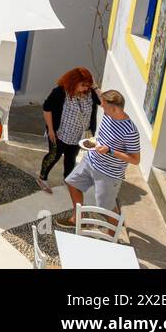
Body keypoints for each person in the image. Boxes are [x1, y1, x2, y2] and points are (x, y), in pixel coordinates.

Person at [60, 89, 140, 228]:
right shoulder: (108, 115)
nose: (101, 107)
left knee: (106, 209)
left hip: (109, 173)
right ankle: (78, 218)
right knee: (72, 183)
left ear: (114, 108)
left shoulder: (130, 131)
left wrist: (110, 151)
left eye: (104, 105)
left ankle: (112, 236)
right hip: (91, 160)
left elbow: (135, 160)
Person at [38, 67, 100, 193]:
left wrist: (94, 86)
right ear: (73, 82)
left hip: (79, 136)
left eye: (87, 86)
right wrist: (50, 129)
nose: (85, 88)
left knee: (71, 158)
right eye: (83, 85)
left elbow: (104, 102)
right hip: (58, 133)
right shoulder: (59, 92)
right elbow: (47, 109)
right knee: (53, 156)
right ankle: (42, 178)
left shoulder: (90, 93)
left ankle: (68, 180)